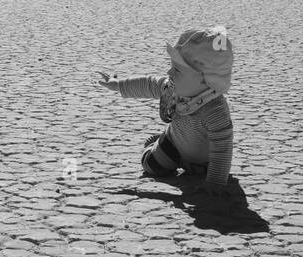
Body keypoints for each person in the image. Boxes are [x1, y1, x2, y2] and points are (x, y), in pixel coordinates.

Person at [98, 27, 235, 195]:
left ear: (205, 79)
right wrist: (119, 85)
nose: (169, 72)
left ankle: (201, 170)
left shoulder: (215, 110)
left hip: (206, 159)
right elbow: (149, 84)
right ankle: (154, 143)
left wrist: (216, 183)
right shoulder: (172, 88)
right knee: (151, 166)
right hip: (174, 144)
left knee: (212, 170)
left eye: (177, 70)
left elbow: (222, 148)